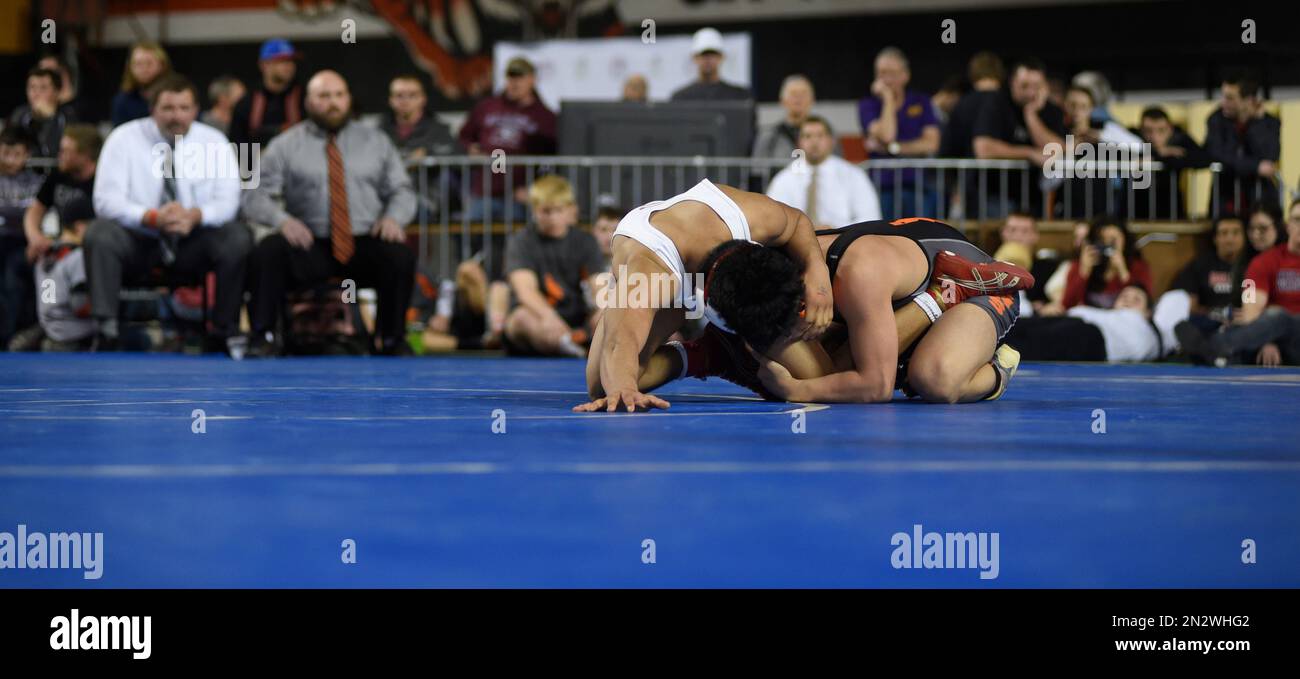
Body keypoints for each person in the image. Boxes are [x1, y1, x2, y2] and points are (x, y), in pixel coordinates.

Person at [685, 217, 1034, 405]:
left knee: (934, 380)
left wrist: (794, 392)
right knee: (836, 369)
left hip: (981, 284)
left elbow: (876, 388)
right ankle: (932, 304)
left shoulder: (859, 272)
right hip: (900, 286)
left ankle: (992, 361)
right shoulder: (776, 254)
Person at [577, 177, 832, 412]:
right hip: (661, 260)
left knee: (819, 378)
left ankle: (720, 351)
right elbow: (621, 342)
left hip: (719, 269)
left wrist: (816, 274)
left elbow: (797, 221)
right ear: (707, 305)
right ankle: (710, 352)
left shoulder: (749, 215)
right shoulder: (649, 276)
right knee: (602, 384)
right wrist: (624, 389)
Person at [243, 70, 417, 357]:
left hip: (364, 238)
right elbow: (254, 195)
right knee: (268, 252)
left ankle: (391, 338)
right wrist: (282, 221)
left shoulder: (377, 142)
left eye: (339, 95)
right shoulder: (286, 145)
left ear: (348, 99)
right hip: (310, 241)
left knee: (399, 256)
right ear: (308, 102)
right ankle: (263, 336)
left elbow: (403, 189)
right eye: (324, 96)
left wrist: (393, 218)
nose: (333, 103)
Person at [86, 74, 251, 353]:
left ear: (196, 110)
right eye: (168, 109)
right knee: (99, 233)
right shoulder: (123, 138)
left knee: (237, 237)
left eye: (184, 108)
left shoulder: (215, 141)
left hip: (192, 242)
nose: (177, 116)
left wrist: (195, 216)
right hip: (140, 240)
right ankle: (106, 331)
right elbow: (105, 200)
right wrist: (150, 217)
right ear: (152, 110)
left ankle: (224, 331)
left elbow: (228, 201)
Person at [1178, 199, 1300, 367]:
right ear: (1288, 225)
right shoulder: (1258, 263)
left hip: (1278, 331)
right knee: (1266, 321)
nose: (1256, 234)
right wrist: (1265, 338)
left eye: (1263, 228)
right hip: (1258, 329)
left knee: (1276, 317)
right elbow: (1250, 308)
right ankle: (1219, 355)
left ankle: (1212, 348)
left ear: (1278, 227)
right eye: (1252, 229)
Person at [15, 125, 102, 351]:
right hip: (62, 242)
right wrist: (36, 238)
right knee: (45, 268)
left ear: (85, 156)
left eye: (66, 150)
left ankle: (81, 332)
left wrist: (85, 237)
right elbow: (34, 211)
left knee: (77, 284)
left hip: (92, 246)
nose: (59, 155)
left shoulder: (104, 179)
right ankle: (48, 323)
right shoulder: (59, 174)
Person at [502, 175, 607, 357]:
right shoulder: (521, 241)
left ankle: (573, 345)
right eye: (546, 211)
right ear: (534, 210)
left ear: (570, 211)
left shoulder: (586, 241)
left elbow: (598, 285)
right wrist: (549, 318)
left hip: (577, 319)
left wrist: (603, 312)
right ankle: (570, 347)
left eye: (558, 210)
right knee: (521, 318)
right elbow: (526, 291)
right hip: (538, 317)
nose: (553, 218)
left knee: (608, 316)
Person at [457, 56, 557, 221]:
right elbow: (464, 135)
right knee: (471, 231)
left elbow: (554, 158)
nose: (514, 83)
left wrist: (535, 189)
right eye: (511, 77)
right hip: (485, 190)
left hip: (518, 194)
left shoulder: (544, 116)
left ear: (532, 79)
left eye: (520, 78)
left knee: (515, 238)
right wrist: (470, 147)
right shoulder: (487, 107)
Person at [858, 47, 940, 219]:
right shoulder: (867, 104)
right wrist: (888, 99)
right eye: (881, 73)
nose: (886, 79)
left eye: (892, 73)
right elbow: (888, 134)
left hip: (918, 184)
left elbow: (931, 143)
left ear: (905, 75)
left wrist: (893, 148)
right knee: (885, 238)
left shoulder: (921, 101)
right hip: (883, 186)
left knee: (920, 237)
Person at [765, 116, 881, 228]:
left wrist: (838, 231)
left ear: (831, 141)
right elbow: (773, 219)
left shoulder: (853, 175)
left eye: (820, 136)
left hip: (842, 242)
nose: (814, 142)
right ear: (799, 143)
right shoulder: (784, 179)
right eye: (807, 136)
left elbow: (870, 217)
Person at [1006, 283, 1160, 362]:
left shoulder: (1144, 329)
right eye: (1124, 296)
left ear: (1148, 312)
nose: (1128, 300)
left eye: (1137, 299)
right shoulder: (1106, 314)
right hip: (1074, 323)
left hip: (1093, 338)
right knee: (1016, 326)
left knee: (1030, 342)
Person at [1204, 72, 1281, 216]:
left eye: (1230, 98)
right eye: (1223, 96)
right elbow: (1217, 153)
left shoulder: (1269, 122)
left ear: (1249, 100)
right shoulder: (1216, 120)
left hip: (1259, 200)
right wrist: (1255, 166)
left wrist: (1256, 124)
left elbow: (1270, 156)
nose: (1223, 102)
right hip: (1225, 200)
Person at [0, 127, 43, 347]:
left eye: (16, 154)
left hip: (23, 243)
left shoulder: (36, 182)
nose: (9, 159)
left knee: (13, 275)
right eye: (5, 152)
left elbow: (35, 213)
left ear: (27, 155)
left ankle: (9, 335)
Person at [1058, 216, 1151, 310]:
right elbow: (1067, 305)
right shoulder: (1079, 265)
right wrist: (1084, 272)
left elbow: (1143, 306)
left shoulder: (1138, 266)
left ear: (1125, 240)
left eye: (1113, 240)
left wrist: (1123, 272)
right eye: (1102, 240)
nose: (1107, 245)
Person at [228, 39, 305, 148]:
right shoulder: (247, 103)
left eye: (291, 61)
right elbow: (236, 146)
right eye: (282, 61)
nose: (289, 66)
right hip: (257, 162)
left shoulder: (304, 98)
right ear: (264, 65)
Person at [7, 67, 76, 159]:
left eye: (43, 88)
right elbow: (8, 145)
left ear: (57, 92)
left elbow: (54, 151)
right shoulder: (20, 114)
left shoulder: (68, 116)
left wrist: (51, 118)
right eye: (32, 87)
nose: (36, 93)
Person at [669, 28, 750, 101]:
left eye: (713, 54)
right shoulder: (680, 97)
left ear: (722, 57)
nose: (708, 59)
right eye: (703, 54)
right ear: (694, 58)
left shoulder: (739, 96)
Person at [111, 41, 170, 127]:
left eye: (149, 63)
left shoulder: (177, 96)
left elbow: (185, 132)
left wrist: (177, 140)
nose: (144, 69)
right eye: (138, 64)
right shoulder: (123, 100)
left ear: (162, 65)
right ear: (130, 67)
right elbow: (119, 133)